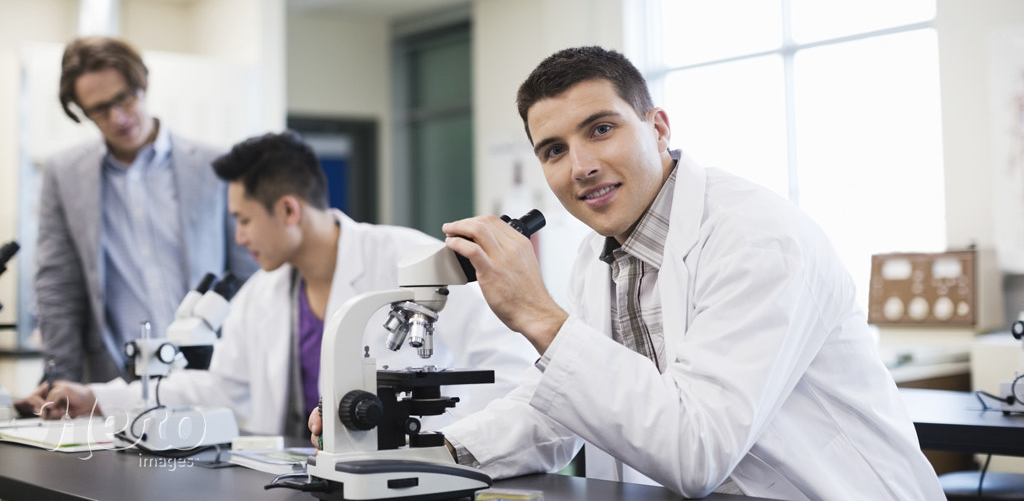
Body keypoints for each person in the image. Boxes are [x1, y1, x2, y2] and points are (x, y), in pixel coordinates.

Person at [313, 46, 945, 499]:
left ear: (658, 127)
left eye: (602, 129)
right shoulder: (604, 251)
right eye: (554, 150)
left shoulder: (758, 240)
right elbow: (561, 408)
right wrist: (433, 454)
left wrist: (538, 315)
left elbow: (698, 451)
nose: (580, 165)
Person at [20, 131, 534, 437]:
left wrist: (434, 445)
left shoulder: (413, 258)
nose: (238, 236)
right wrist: (97, 397)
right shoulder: (263, 294)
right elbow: (220, 390)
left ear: (288, 209)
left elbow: (513, 375)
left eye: (243, 220)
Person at [33, 36, 257, 384]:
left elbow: (249, 277)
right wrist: (61, 381)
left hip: (212, 370)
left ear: (142, 84)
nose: (118, 117)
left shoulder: (215, 165)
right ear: (82, 111)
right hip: (114, 378)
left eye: (124, 98)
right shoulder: (64, 175)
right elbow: (57, 286)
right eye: (99, 109)